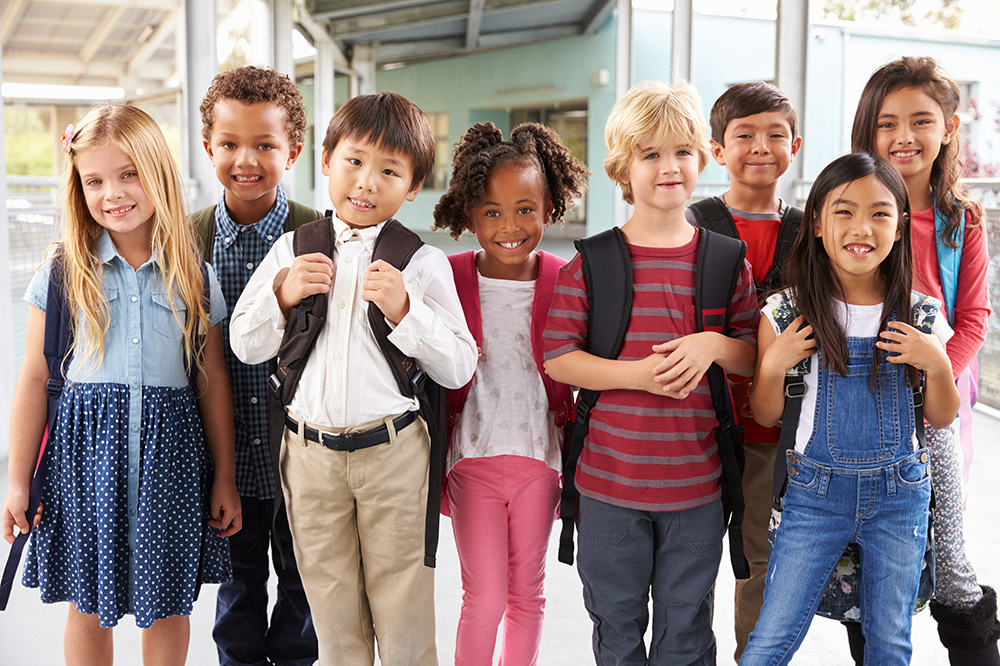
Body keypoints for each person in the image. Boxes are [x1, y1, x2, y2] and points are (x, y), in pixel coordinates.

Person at [229, 91, 477, 666]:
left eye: (389, 171)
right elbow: (245, 343)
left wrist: (407, 313)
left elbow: (460, 364)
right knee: (334, 621)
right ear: (325, 159)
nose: (366, 182)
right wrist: (282, 293)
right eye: (355, 161)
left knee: (405, 618)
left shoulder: (421, 262)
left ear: (413, 187)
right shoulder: (292, 249)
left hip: (393, 454)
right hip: (309, 456)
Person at [1, 104, 241, 665]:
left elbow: (210, 380)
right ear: (78, 188)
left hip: (173, 466)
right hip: (84, 466)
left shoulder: (194, 274)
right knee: (87, 606)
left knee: (168, 606)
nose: (113, 192)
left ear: (157, 171)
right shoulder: (62, 273)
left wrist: (224, 475)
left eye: (128, 173)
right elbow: (34, 379)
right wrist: (16, 483)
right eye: (95, 180)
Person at [543, 80, 760, 666]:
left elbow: (751, 354)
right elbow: (560, 358)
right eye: (651, 154)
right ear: (623, 168)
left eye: (683, 152)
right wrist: (637, 375)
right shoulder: (592, 263)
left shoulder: (724, 260)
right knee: (616, 629)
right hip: (610, 487)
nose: (670, 167)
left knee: (687, 633)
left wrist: (713, 343)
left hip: (698, 489)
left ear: (703, 159)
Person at [739, 152, 961, 666]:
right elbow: (766, 414)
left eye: (880, 213)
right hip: (813, 495)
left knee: (890, 643)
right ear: (816, 223)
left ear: (901, 226)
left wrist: (939, 365)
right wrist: (773, 366)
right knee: (772, 639)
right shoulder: (787, 310)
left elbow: (942, 416)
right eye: (844, 211)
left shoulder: (921, 312)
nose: (862, 227)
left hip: (900, 496)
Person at [850, 55, 999, 666]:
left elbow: (973, 320)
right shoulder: (844, 210)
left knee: (949, 550)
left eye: (921, 121)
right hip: (858, 411)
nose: (904, 137)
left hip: (936, 413)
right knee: (871, 561)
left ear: (948, 128)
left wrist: (937, 371)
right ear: (868, 130)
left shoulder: (960, 221)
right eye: (887, 123)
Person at [431, 121, 588, 666]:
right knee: (485, 597)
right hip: (472, 460)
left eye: (525, 208)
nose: (509, 226)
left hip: (540, 464)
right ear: (468, 215)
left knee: (527, 596)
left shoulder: (564, 277)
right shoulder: (446, 277)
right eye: (491, 212)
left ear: (550, 207)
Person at [191, 65, 319, 666]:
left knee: (304, 601)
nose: (247, 159)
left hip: (303, 463)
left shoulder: (319, 236)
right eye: (230, 144)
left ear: (293, 151)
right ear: (207, 146)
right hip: (223, 465)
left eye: (265, 145)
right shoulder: (184, 242)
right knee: (236, 598)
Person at [688, 80, 803, 661]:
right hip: (697, 424)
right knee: (690, 558)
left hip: (772, 431)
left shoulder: (812, 233)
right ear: (716, 149)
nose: (761, 146)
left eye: (775, 135)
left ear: (796, 145)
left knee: (759, 557)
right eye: (743, 135)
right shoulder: (691, 224)